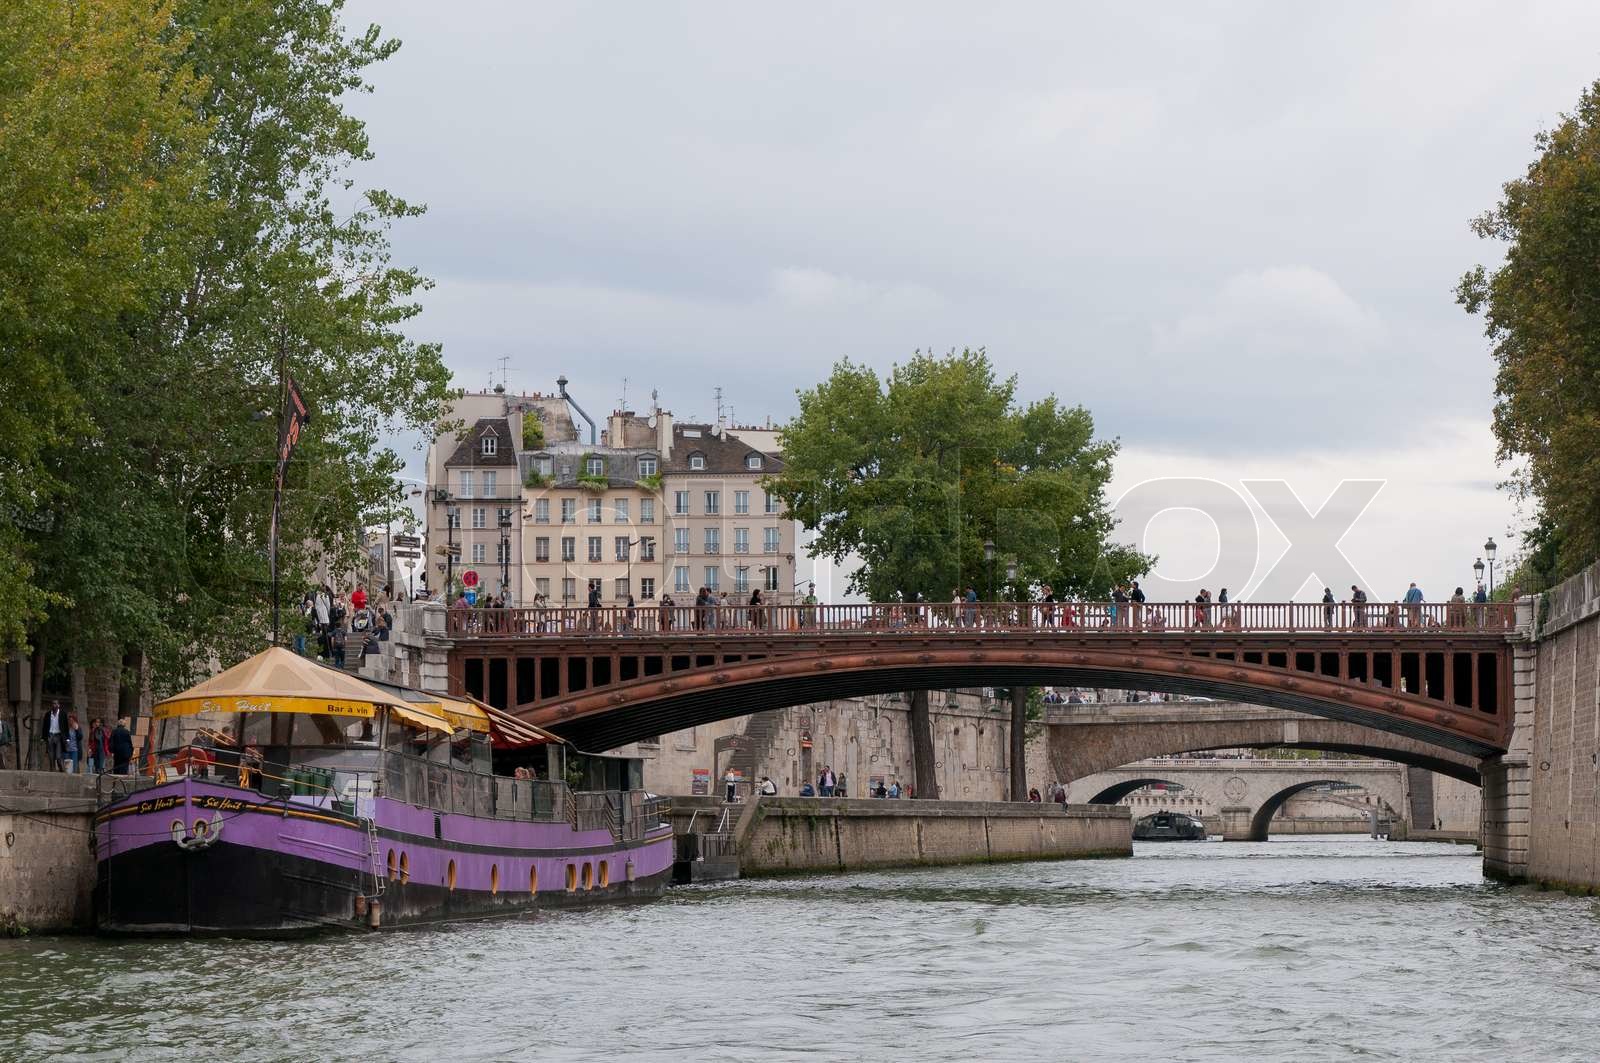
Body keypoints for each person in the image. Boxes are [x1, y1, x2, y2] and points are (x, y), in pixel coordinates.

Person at [42, 699, 69, 771]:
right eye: (53, 704)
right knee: (51, 754)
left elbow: (66, 727)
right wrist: (43, 737)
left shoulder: (63, 714)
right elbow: (44, 726)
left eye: (55, 704)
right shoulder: (48, 714)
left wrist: (67, 738)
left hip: (59, 736)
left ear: (58, 705)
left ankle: (61, 768)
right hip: (50, 735)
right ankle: (52, 768)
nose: (54, 705)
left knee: (58, 755)